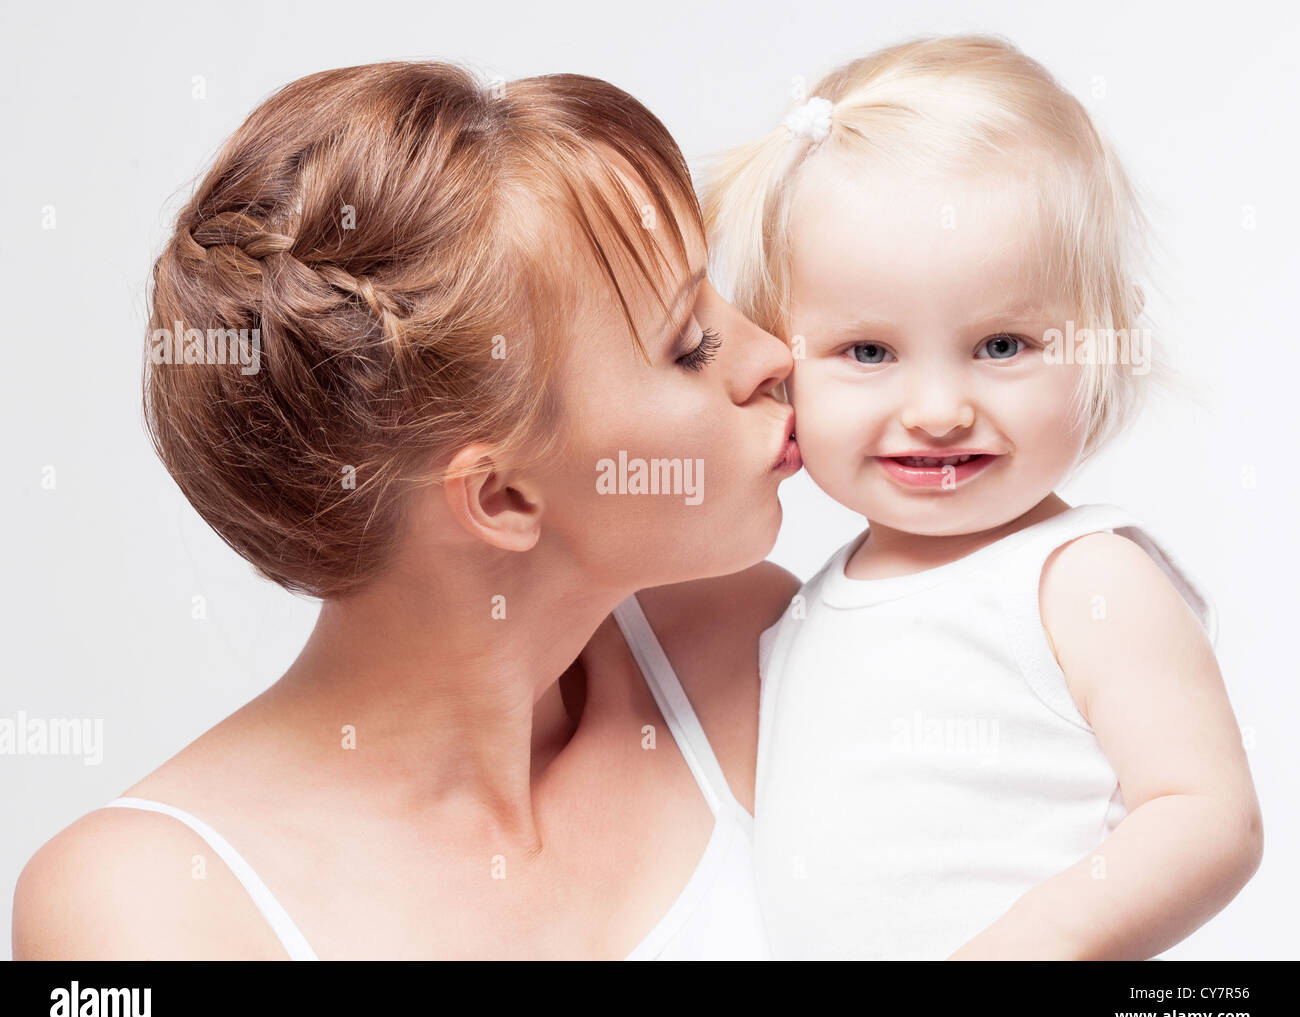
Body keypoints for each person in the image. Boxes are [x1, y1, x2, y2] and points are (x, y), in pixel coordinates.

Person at [13, 61, 802, 960]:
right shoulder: (145, 909)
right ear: (500, 495)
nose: (776, 353)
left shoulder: (740, 653)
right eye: (691, 346)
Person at [701, 34, 1263, 959]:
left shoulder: (1083, 577)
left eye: (1002, 345)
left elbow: (1207, 819)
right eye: (869, 352)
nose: (936, 410)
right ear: (778, 356)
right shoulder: (805, 606)